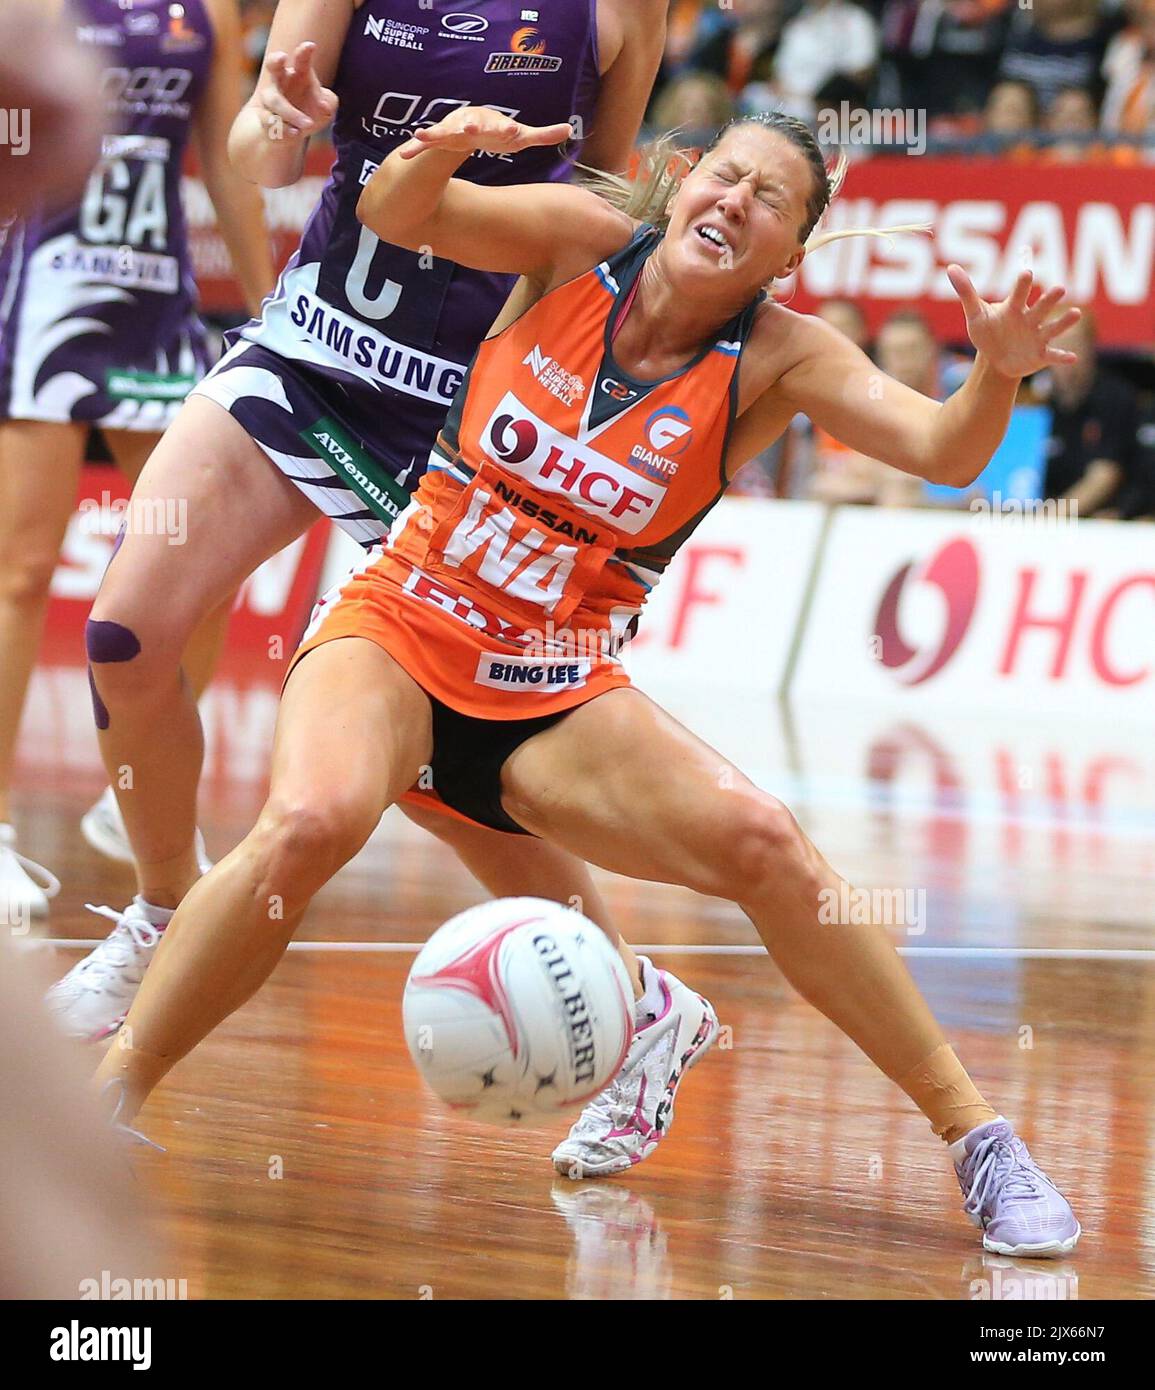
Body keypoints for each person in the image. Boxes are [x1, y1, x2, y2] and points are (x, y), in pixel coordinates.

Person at [95, 107, 1082, 1253]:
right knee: (310, 820)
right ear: (684, 180)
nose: (736, 202)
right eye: (726, 176)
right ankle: (105, 1101)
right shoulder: (579, 239)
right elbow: (395, 213)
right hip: (400, 622)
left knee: (766, 841)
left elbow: (947, 450)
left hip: (552, 685)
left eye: (770, 199)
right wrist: (442, 145)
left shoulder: (784, 355)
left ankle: (979, 1139)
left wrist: (996, 374)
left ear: (793, 253)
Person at [54, 0, 716, 1179]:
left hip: (465, 408)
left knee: (439, 772)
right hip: (315, 346)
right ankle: (163, 908)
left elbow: (601, 211)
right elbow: (257, 157)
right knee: (124, 634)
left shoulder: (621, 11)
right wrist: (277, 116)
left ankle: (641, 1002)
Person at [0, 0, 275, 919]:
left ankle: (136, 799)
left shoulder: (207, 11)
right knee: (20, 570)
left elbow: (229, 165)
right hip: (42, 290)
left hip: (155, 302)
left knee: (207, 555)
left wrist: (272, 314)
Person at [1036, 310, 1135, 515]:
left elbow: (1104, 475)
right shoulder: (1030, 399)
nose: (1063, 353)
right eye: (1055, 344)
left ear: (1091, 347)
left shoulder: (1114, 398)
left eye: (1073, 344)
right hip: (1027, 509)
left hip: (1090, 518)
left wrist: (1049, 517)